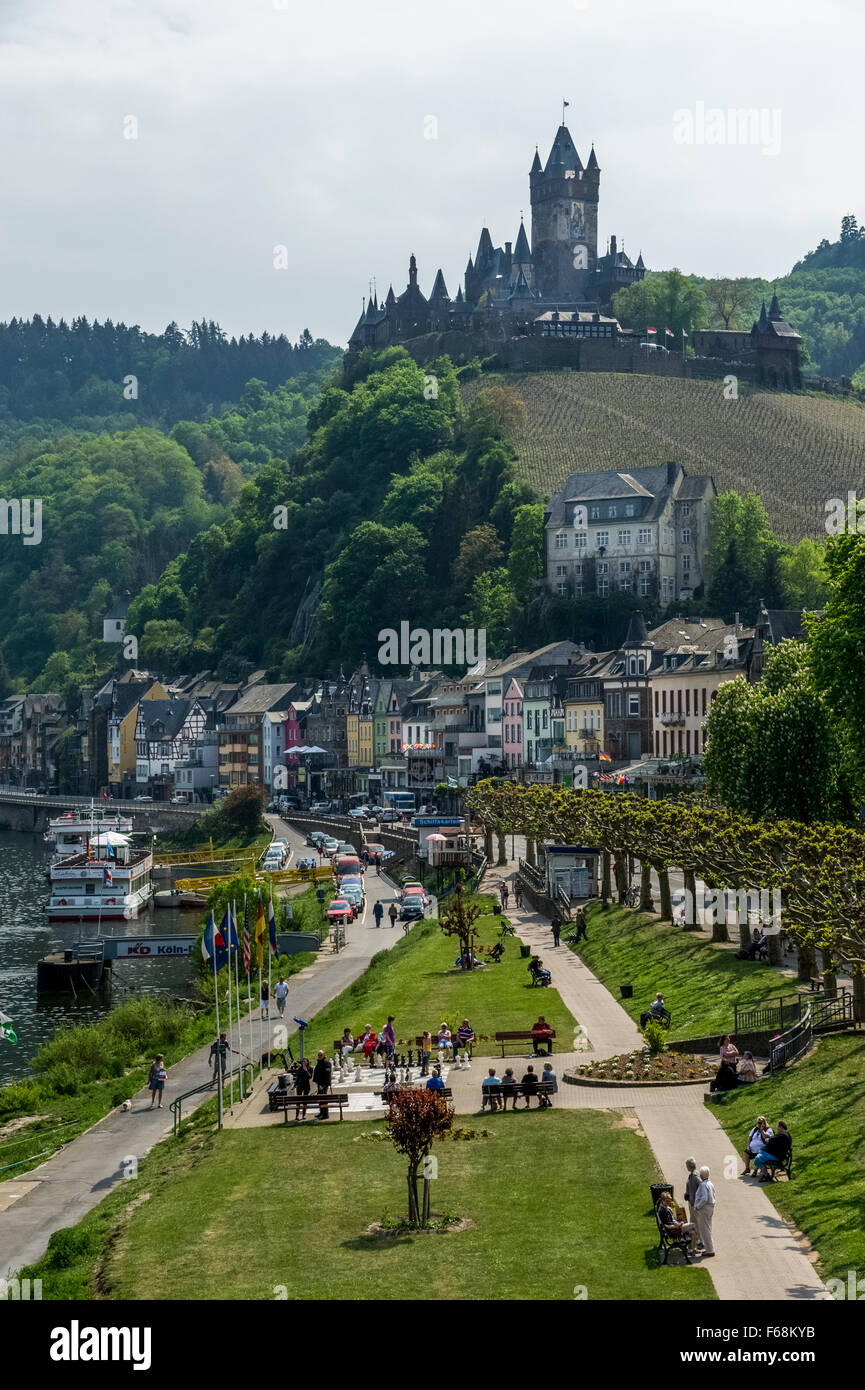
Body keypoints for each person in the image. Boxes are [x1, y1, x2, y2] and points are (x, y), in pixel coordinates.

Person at [693, 1166, 716, 1255]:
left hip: (705, 1208)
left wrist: (698, 1206)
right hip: (710, 1208)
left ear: (702, 1175)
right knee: (708, 1228)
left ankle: (710, 1250)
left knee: (704, 1230)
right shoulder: (710, 1183)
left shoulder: (703, 1185)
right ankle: (710, 1248)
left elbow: (704, 1198)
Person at [684, 1158, 702, 1236]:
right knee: (693, 1221)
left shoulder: (695, 1176)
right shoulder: (692, 1175)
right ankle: (695, 1238)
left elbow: (701, 1186)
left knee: (696, 1222)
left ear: (689, 1166)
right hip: (692, 1201)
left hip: (694, 1203)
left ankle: (699, 1240)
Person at [312, 1050, 332, 1117]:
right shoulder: (319, 1062)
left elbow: (326, 1074)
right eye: (318, 1055)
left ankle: (325, 1114)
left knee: (324, 1099)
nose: (319, 1056)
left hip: (323, 1084)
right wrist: (317, 1082)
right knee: (320, 1099)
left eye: (320, 1055)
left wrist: (322, 1085)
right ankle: (321, 1112)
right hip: (319, 1084)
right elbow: (317, 1072)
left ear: (323, 1055)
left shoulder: (326, 1063)